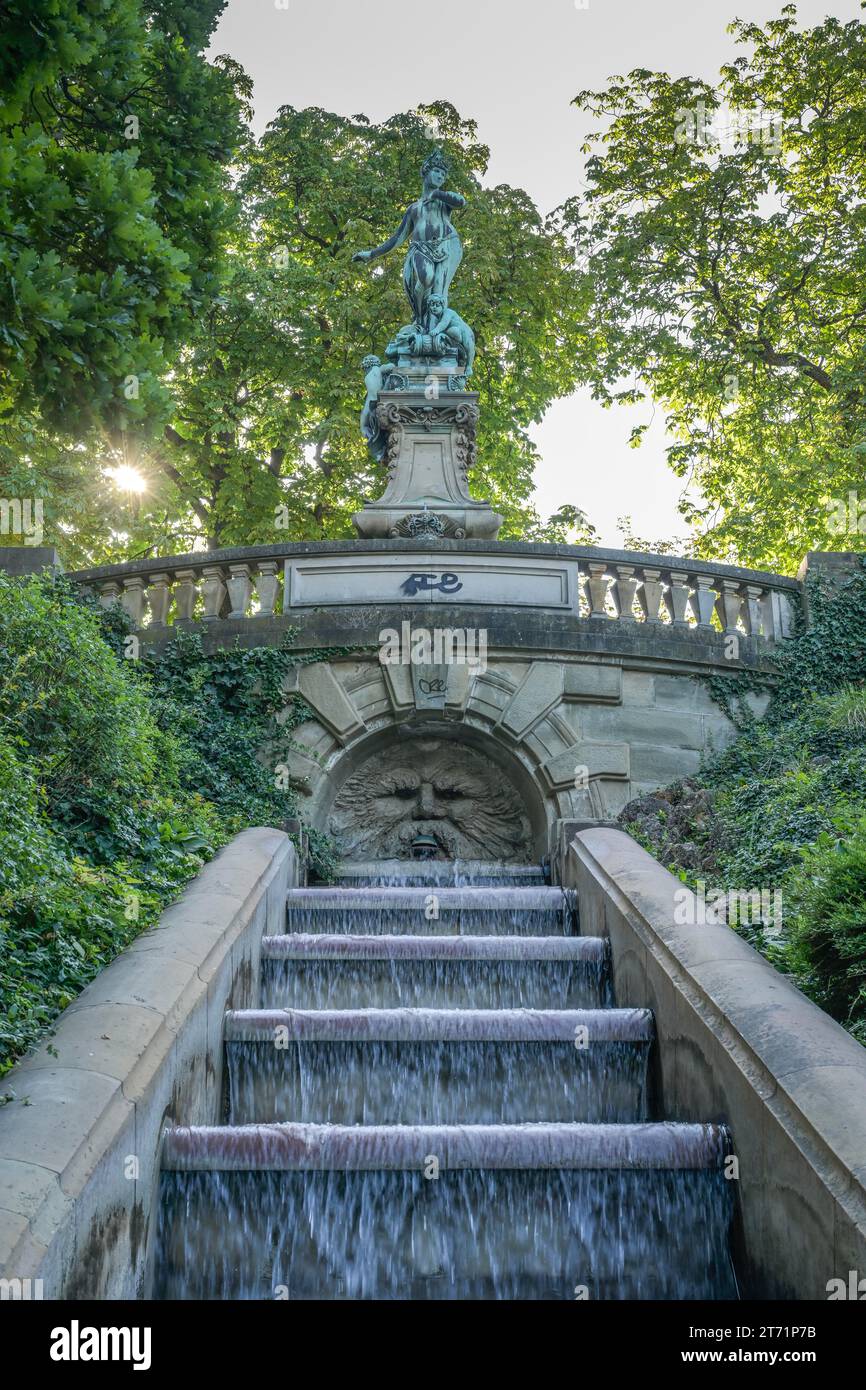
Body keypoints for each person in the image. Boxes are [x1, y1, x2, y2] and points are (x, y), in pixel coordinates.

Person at [352, 149, 466, 327]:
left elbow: (460, 202)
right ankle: (420, 316)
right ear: (426, 173)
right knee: (425, 278)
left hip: (447, 245)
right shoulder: (414, 209)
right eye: (436, 171)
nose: (440, 176)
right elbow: (397, 238)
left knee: (439, 288)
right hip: (421, 248)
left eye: (443, 174)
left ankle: (433, 327)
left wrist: (437, 194)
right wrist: (371, 254)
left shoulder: (443, 202)